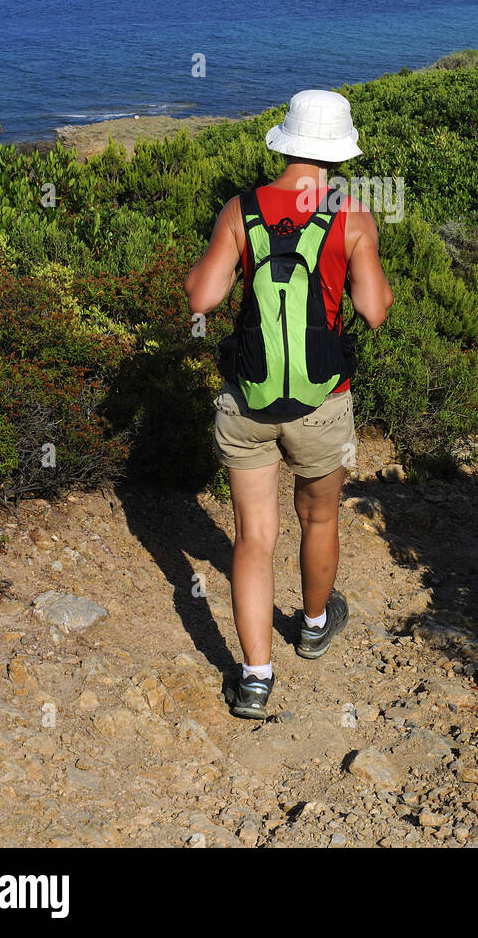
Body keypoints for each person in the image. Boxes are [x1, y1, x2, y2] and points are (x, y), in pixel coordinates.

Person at [184, 89, 394, 719]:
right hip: (323, 403)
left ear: (286, 141)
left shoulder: (240, 209)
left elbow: (203, 299)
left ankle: (252, 677)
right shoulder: (351, 215)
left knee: (253, 537)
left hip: (247, 399)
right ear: (338, 152)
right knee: (319, 519)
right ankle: (312, 624)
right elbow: (373, 311)